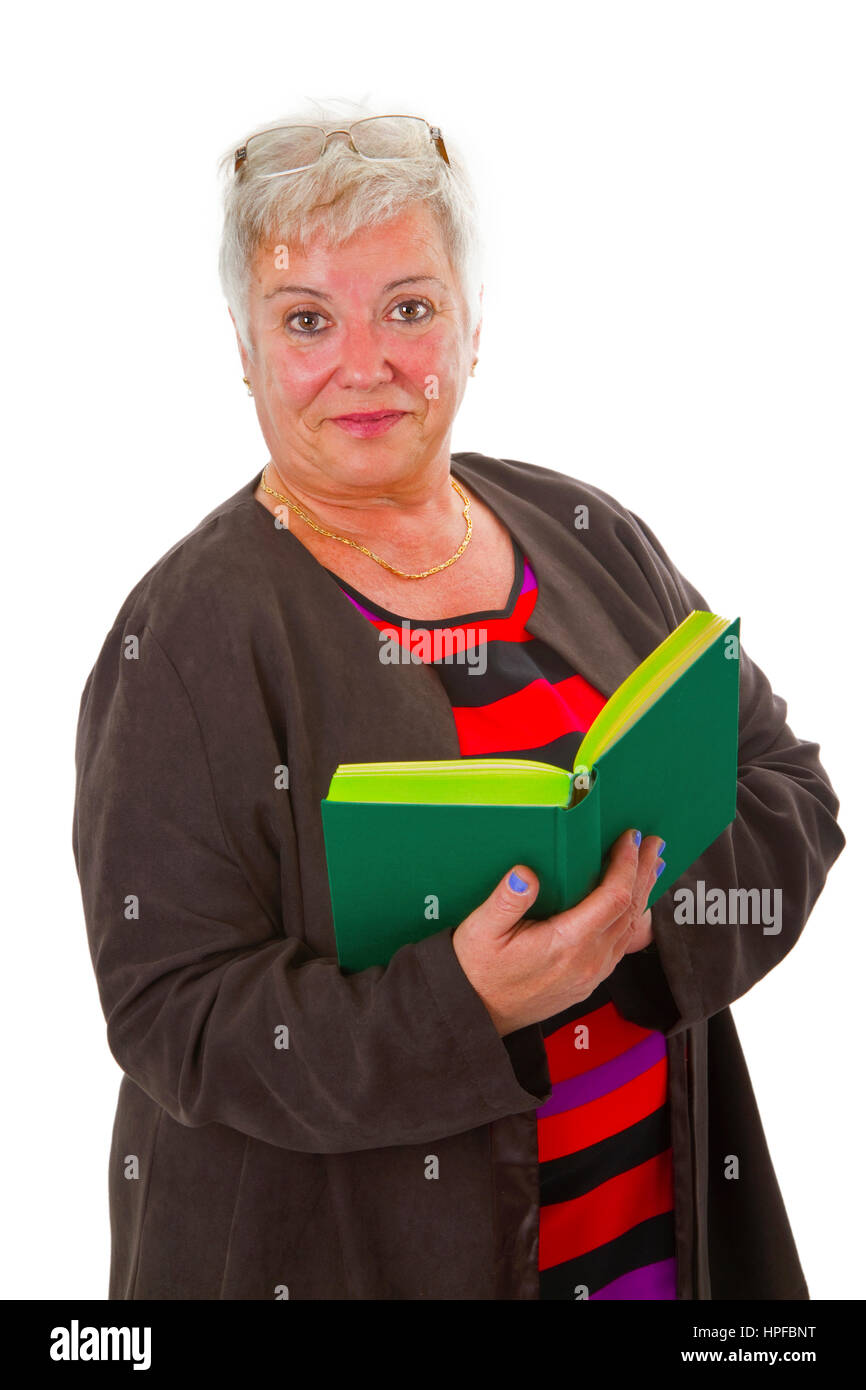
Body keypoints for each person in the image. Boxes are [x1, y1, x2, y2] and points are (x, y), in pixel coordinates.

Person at [72, 100, 845, 1301]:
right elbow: (174, 1013)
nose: (366, 362)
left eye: (410, 309)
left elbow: (787, 787)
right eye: (307, 319)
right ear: (243, 346)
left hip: (648, 1248)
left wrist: (622, 922)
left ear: (473, 326)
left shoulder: (584, 535)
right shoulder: (186, 632)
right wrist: (462, 1003)